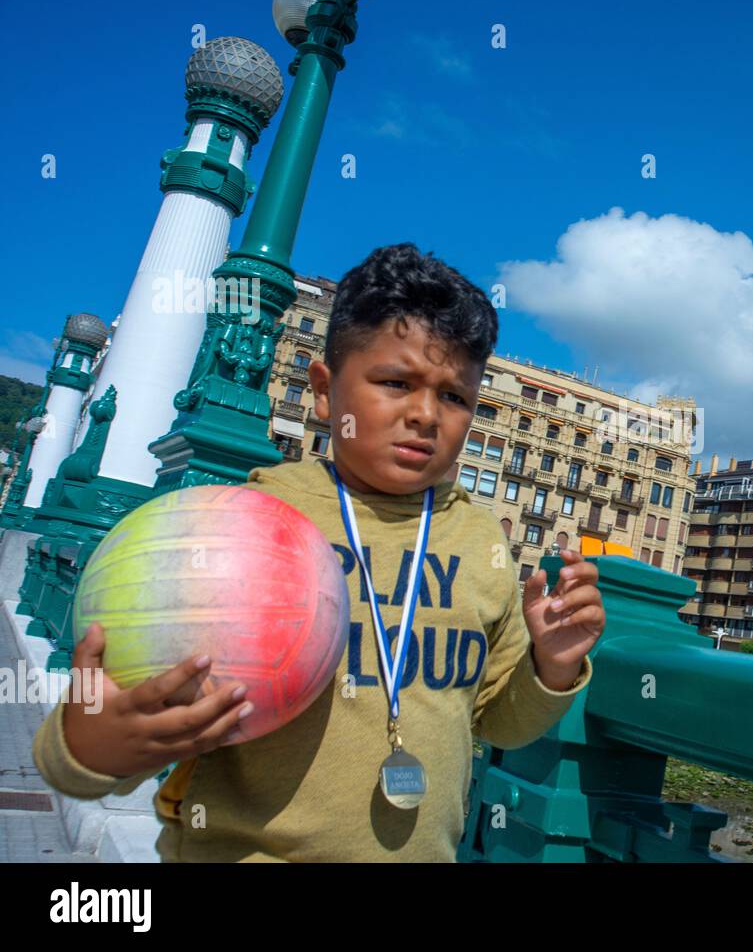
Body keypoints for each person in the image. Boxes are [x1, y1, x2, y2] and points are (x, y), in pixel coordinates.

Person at [31, 243, 604, 861]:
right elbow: (120, 721)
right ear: (325, 393)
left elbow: (499, 724)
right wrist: (96, 747)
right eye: (395, 382)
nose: (424, 414)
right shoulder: (242, 525)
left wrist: (554, 664)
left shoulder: (481, 541)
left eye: (455, 397)